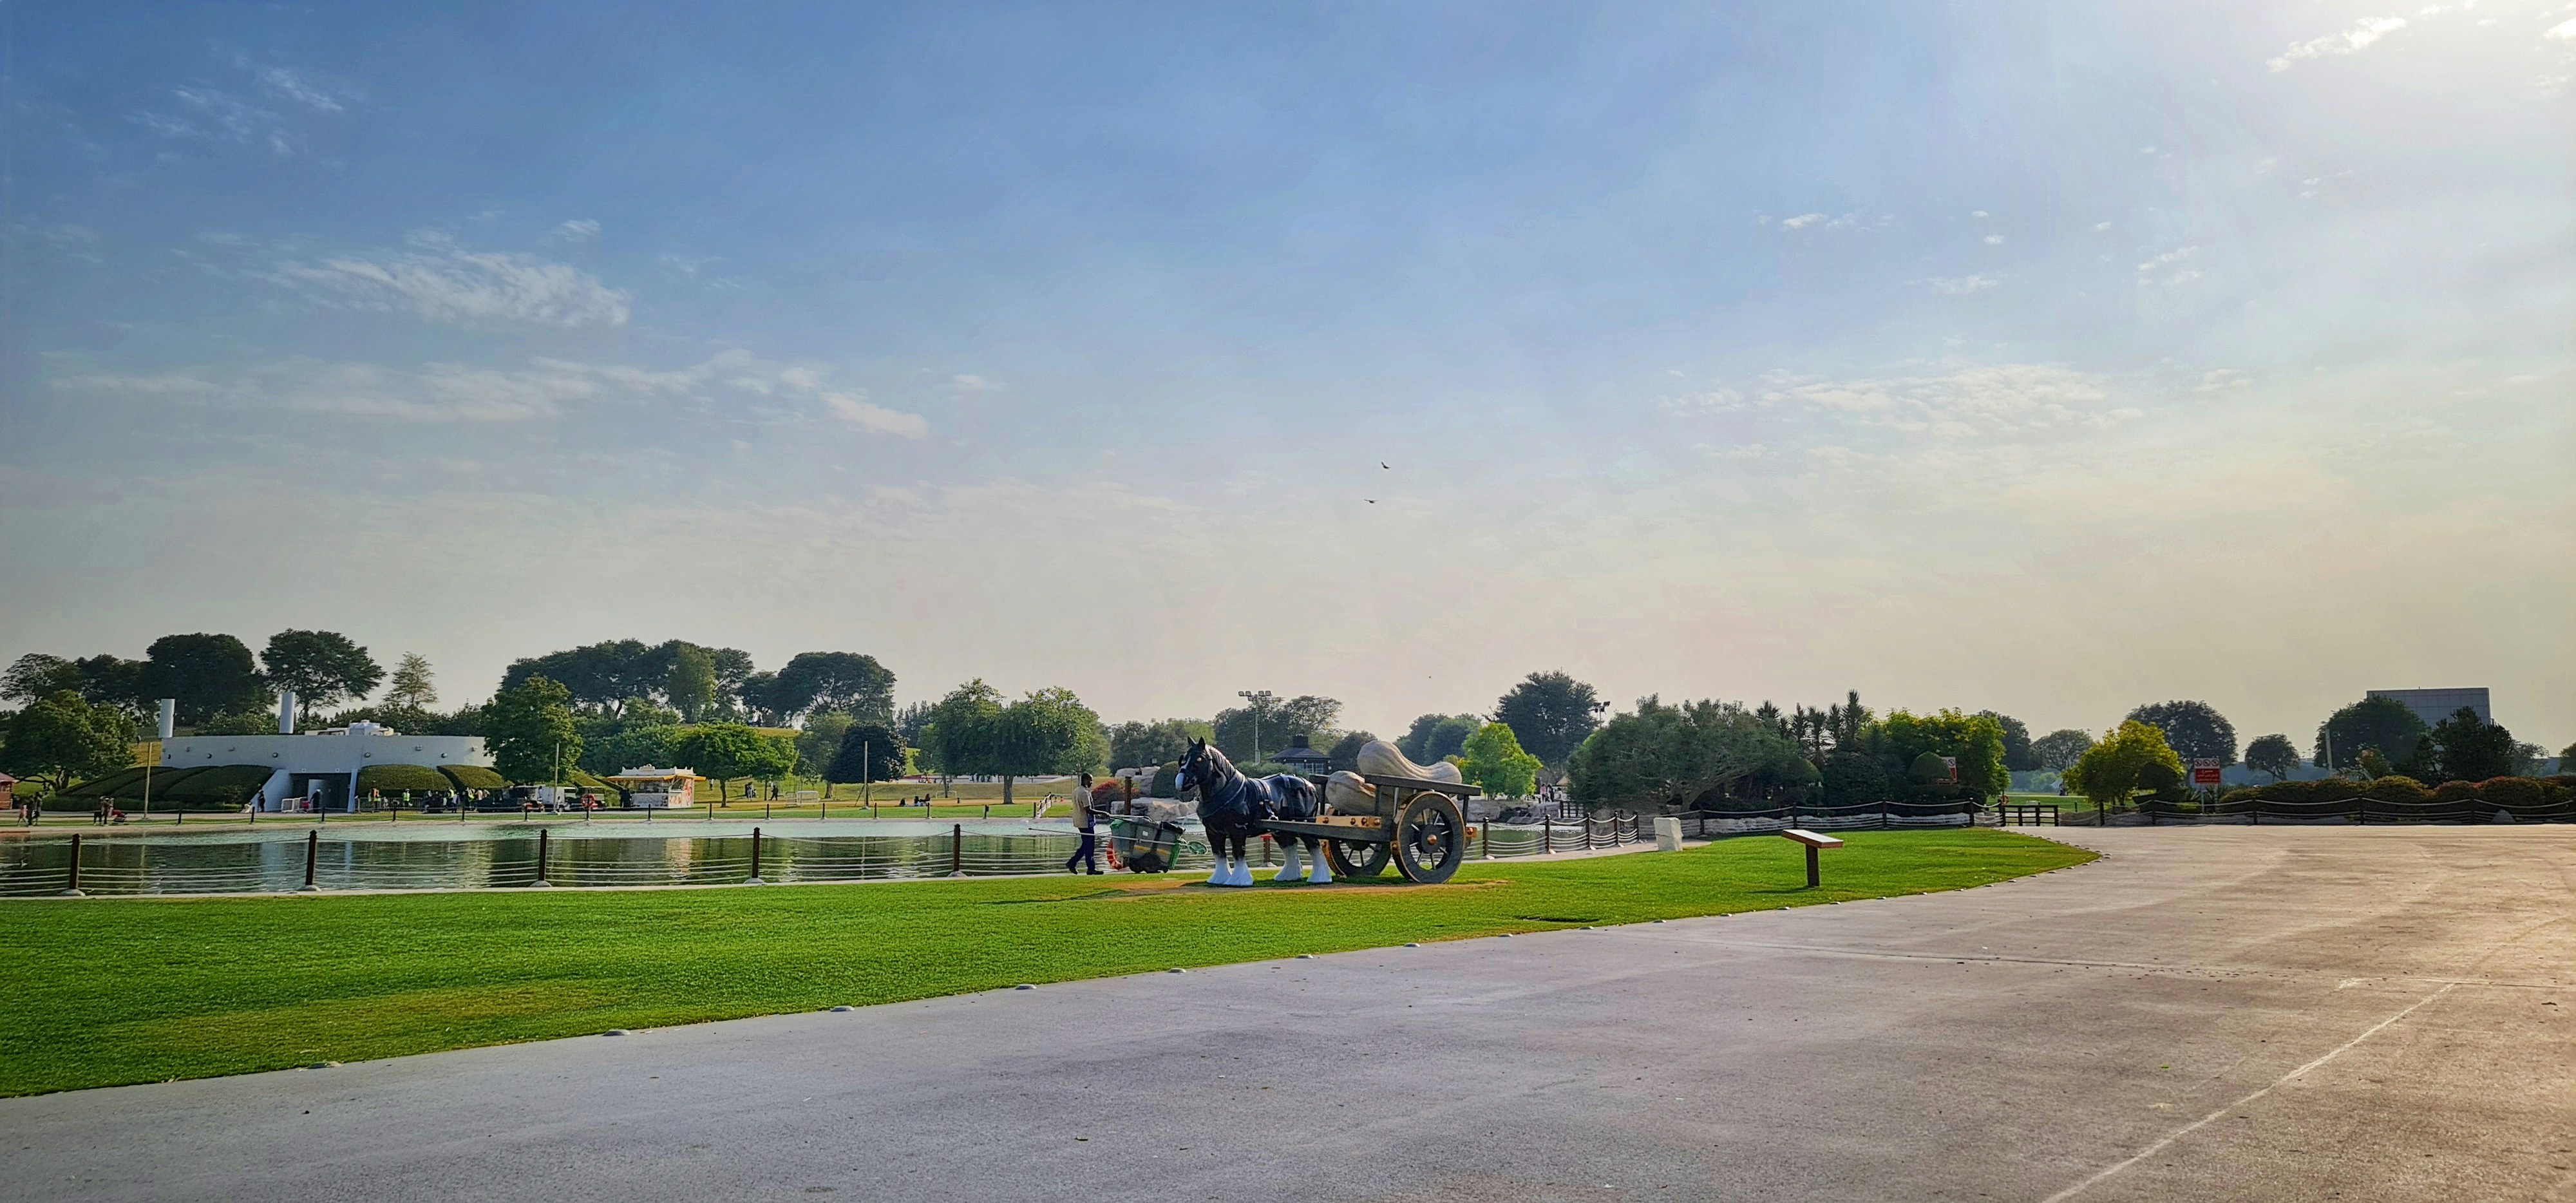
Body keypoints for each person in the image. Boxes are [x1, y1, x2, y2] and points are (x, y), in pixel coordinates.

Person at [1064, 774, 1100, 875]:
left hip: (1079, 821)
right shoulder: (1084, 793)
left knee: (1086, 845)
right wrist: (1103, 813)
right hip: (1086, 823)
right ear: (1085, 780)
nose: (1091, 783)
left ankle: (1072, 863)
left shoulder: (1076, 790)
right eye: (1090, 781)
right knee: (1090, 846)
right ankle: (1091, 869)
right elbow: (1088, 810)